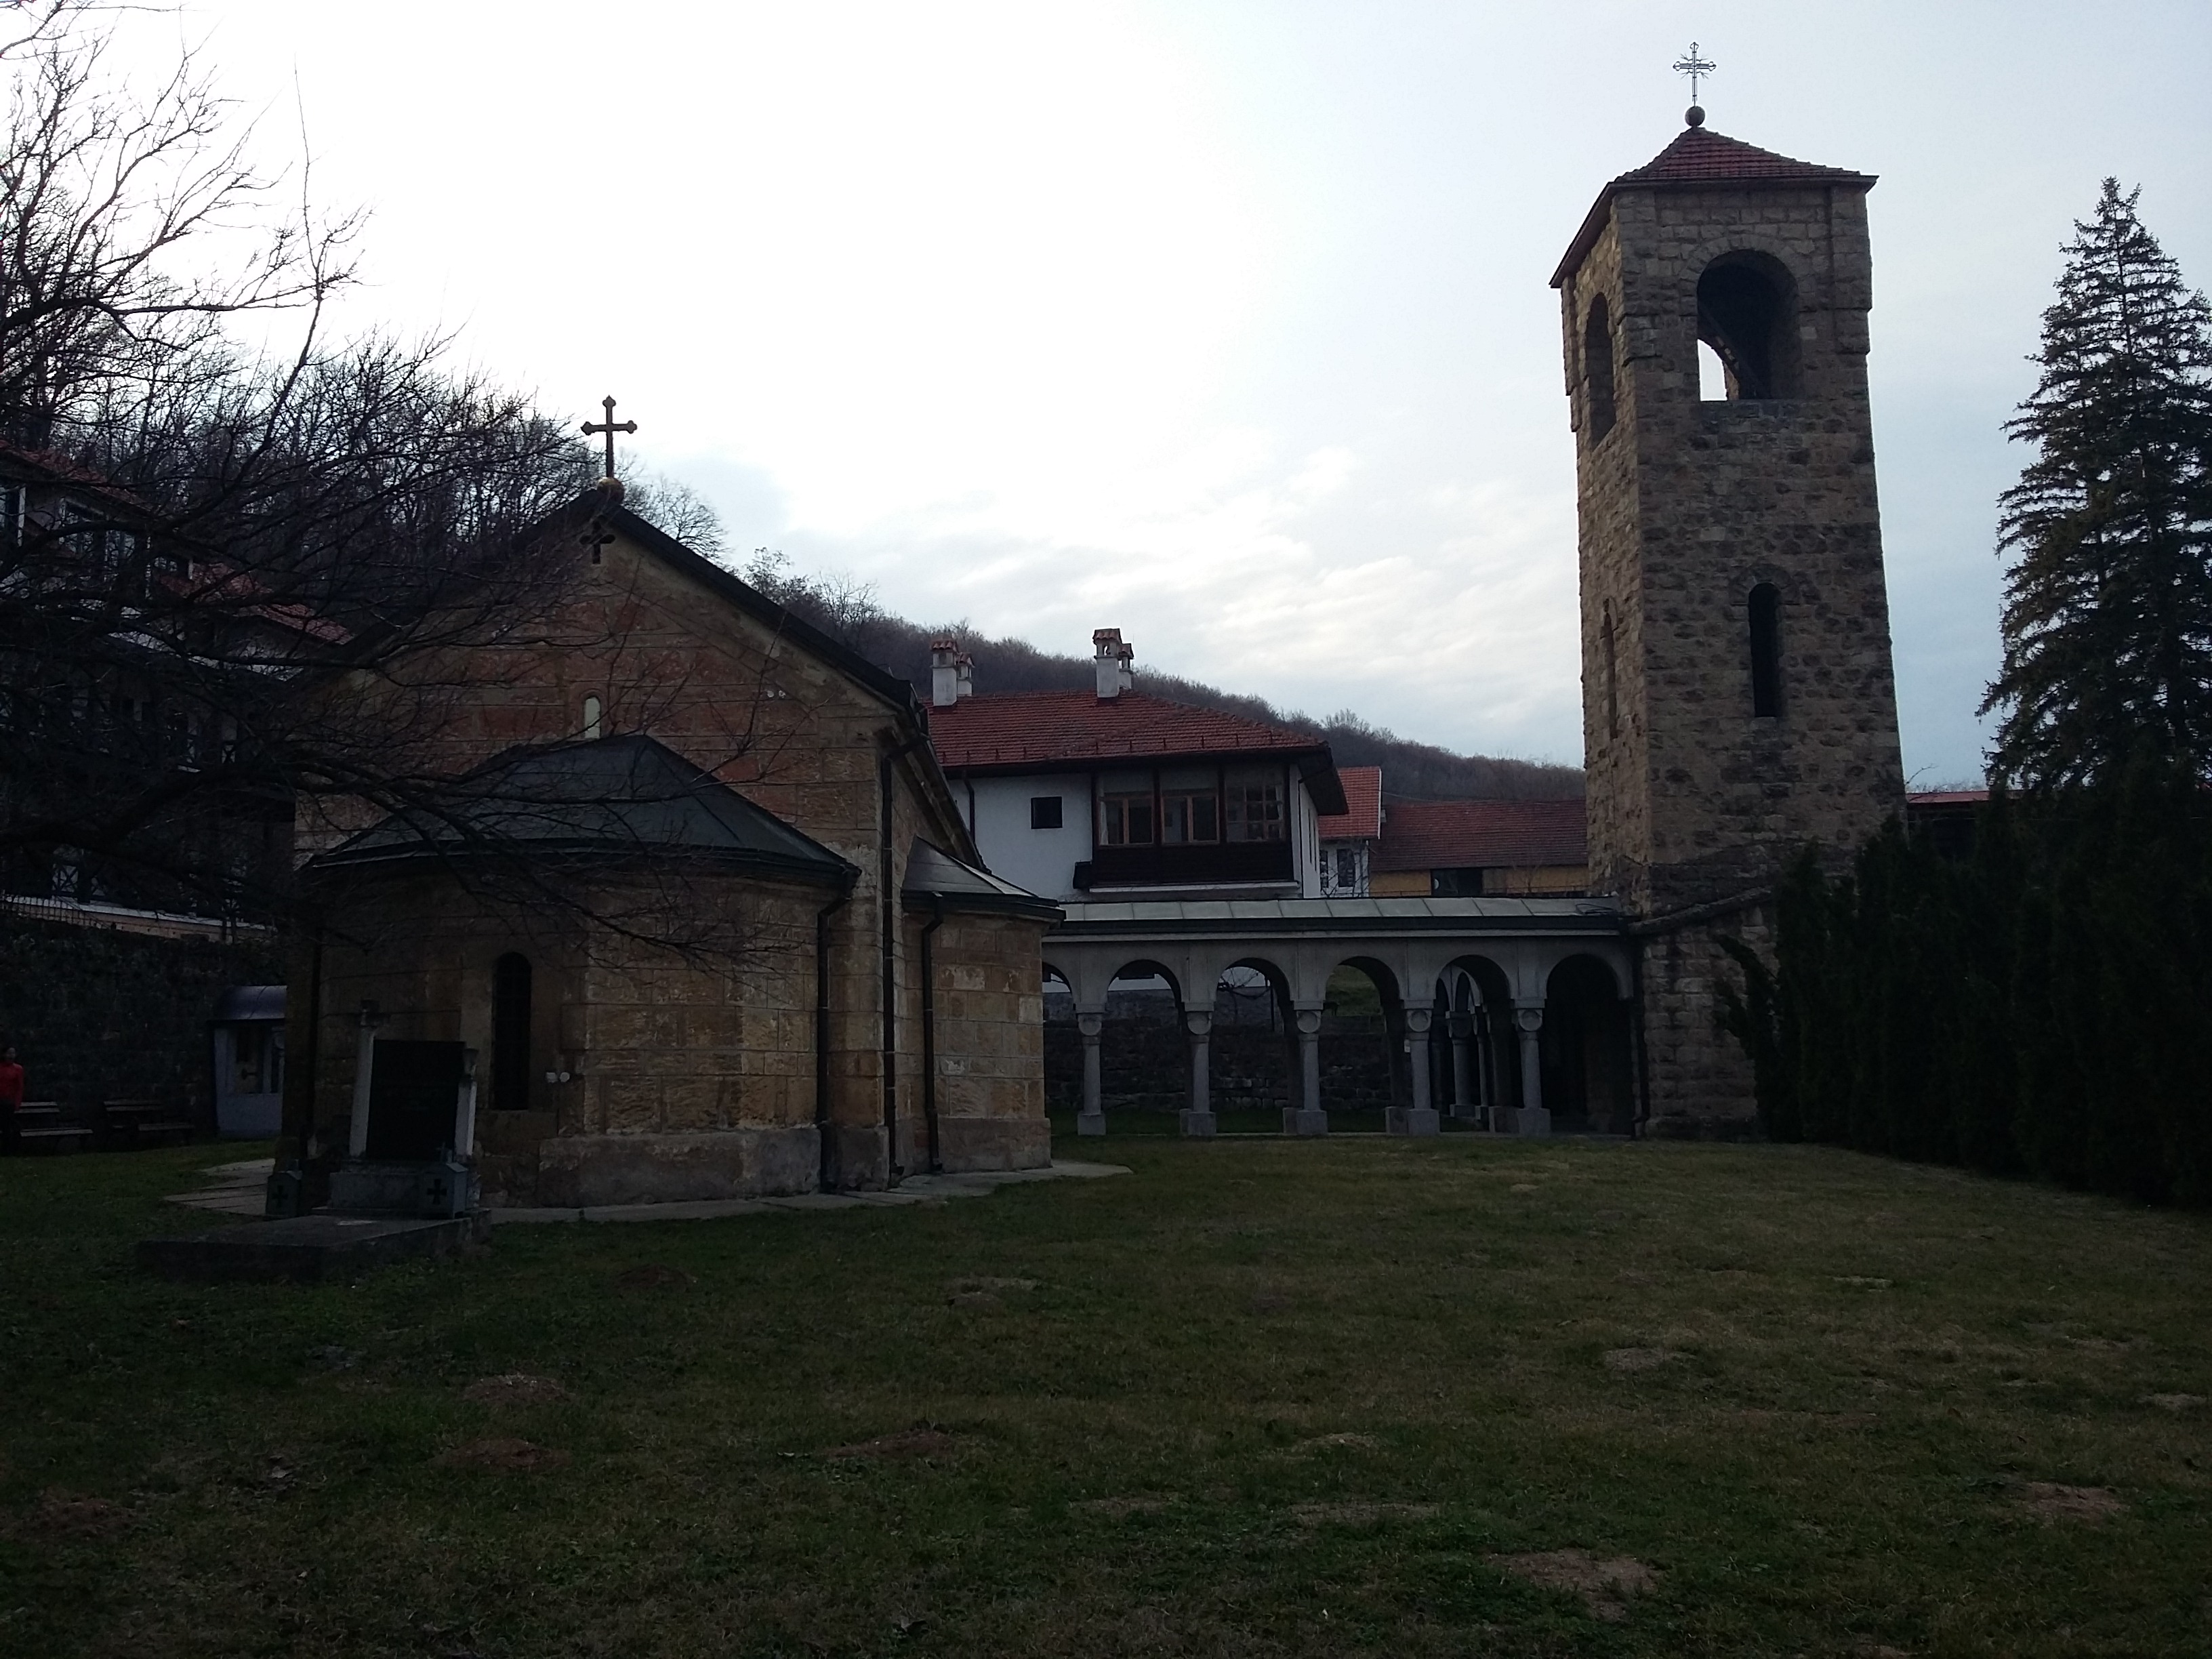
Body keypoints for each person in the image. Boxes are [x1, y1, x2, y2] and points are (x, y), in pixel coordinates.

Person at [0, 1044, 22, 1155]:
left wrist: (17, 1103)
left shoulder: (18, 1069)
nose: (11, 1056)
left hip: (9, 1102)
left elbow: (19, 1087)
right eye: (9, 1053)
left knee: (7, 1127)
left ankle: (7, 1150)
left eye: (13, 1053)